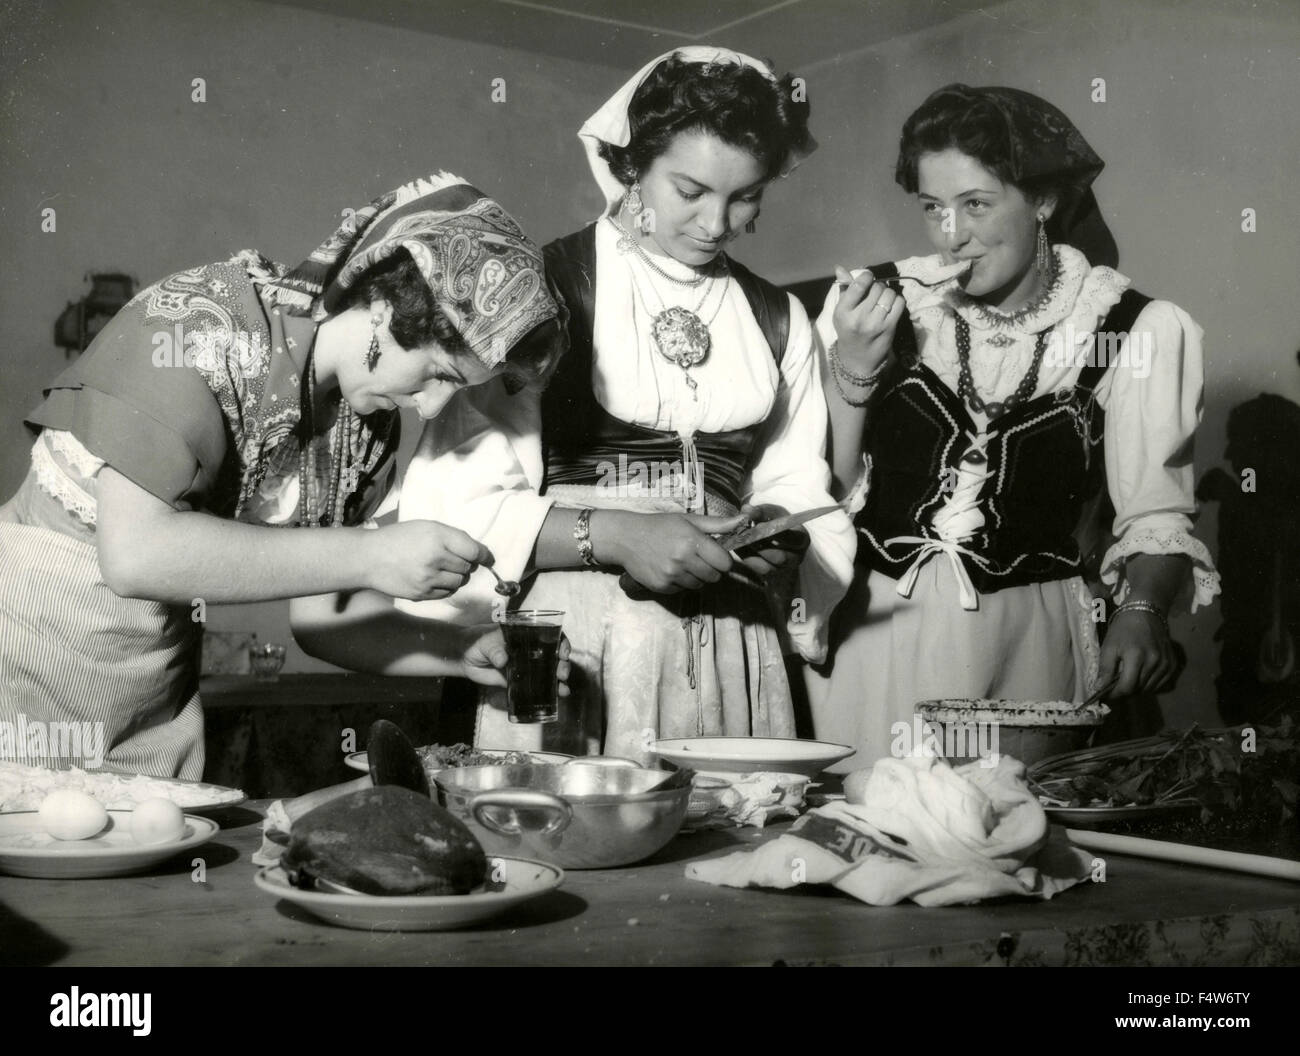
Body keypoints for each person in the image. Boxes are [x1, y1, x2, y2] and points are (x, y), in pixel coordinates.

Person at [0, 173, 564, 778]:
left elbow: (322, 621)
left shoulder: (363, 426)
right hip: (33, 633)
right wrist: (370, 554)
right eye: (439, 374)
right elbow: (135, 555)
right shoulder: (199, 323)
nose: (429, 407)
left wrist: (456, 648)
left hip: (158, 675)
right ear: (381, 306)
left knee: (149, 850)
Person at [392, 48, 856, 761]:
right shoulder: (543, 290)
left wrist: (776, 537)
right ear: (633, 165)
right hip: (576, 636)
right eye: (691, 190)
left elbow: (794, 478)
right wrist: (617, 535)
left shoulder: (779, 317)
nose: (716, 223)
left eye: (744, 196)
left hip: (730, 638)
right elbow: (459, 509)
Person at [807, 84, 1220, 770]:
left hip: (1030, 642)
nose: (951, 234)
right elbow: (822, 497)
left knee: (1006, 837)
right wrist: (851, 367)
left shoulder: (1132, 328)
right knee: (867, 832)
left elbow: (1157, 516)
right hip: (876, 632)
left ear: (1045, 201)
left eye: (976, 204)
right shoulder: (876, 304)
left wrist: (1141, 611)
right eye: (933, 208)